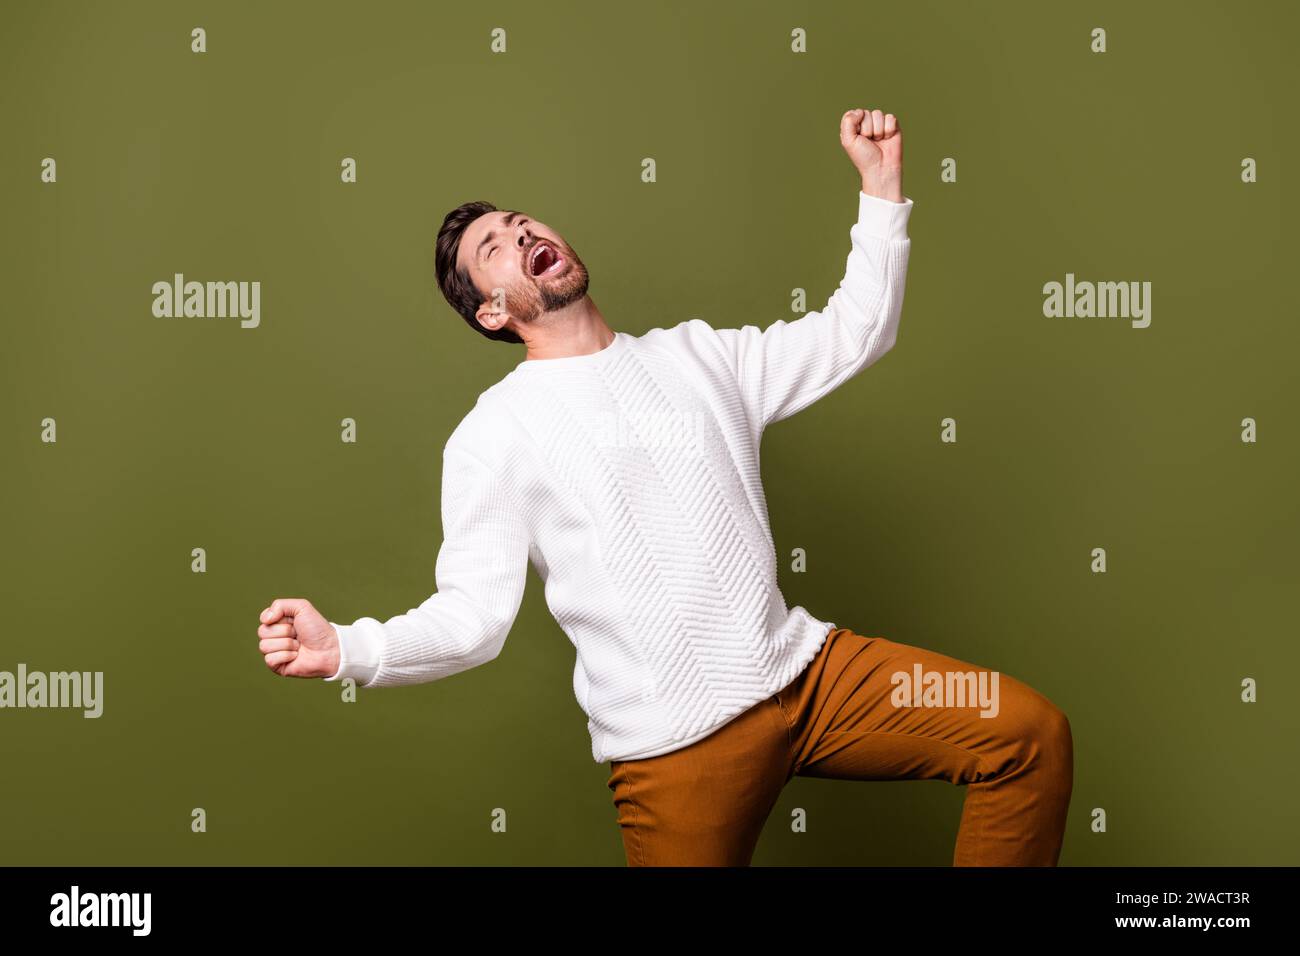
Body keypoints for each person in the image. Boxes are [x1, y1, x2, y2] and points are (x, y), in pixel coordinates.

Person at [257, 108, 1073, 866]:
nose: (523, 234)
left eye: (519, 224)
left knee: (1027, 735)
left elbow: (855, 332)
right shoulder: (493, 436)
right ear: (493, 314)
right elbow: (474, 620)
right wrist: (350, 651)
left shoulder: (699, 358)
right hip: (676, 749)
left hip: (812, 679)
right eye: (494, 250)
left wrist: (880, 186)